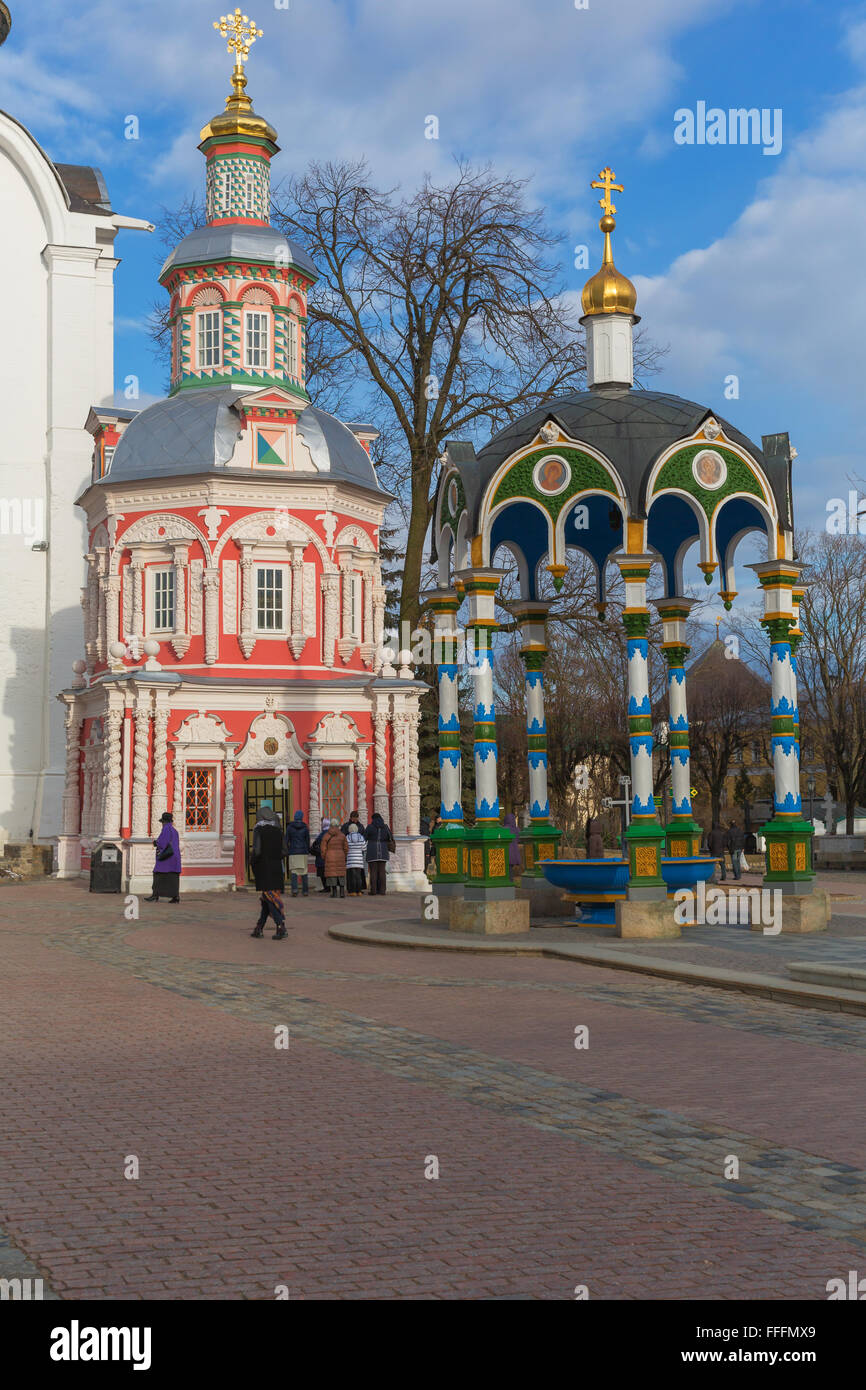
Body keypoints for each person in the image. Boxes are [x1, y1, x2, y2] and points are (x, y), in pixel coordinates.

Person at [249, 803, 287, 939]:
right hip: (277, 868)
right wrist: (275, 857)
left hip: (264, 869)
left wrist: (252, 861)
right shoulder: (278, 830)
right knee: (267, 899)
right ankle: (258, 928)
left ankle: (280, 926)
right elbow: (284, 851)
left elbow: (257, 851)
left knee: (270, 899)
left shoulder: (259, 830)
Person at [146, 811, 182, 902]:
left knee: (158, 874)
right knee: (173, 877)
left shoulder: (166, 829)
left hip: (166, 857)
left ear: (164, 822)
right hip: (175, 858)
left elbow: (162, 843)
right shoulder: (175, 831)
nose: (162, 824)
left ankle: (155, 895)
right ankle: (175, 897)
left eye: (162, 822)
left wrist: (155, 842)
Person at [365, 811, 394, 895]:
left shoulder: (370, 827)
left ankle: (373, 890)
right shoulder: (385, 827)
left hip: (372, 850)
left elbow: (365, 837)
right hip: (383, 850)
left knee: (373, 871)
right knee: (382, 871)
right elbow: (390, 837)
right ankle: (382, 890)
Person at [285, 808, 311, 896]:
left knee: (294, 871)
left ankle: (295, 890)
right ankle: (305, 890)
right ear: (302, 817)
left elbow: (286, 840)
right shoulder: (305, 827)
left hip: (293, 851)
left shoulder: (289, 827)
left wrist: (288, 849)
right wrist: (307, 850)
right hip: (303, 851)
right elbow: (307, 840)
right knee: (304, 871)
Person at [321, 821, 348, 897]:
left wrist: (324, 856)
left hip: (330, 856)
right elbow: (346, 847)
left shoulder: (326, 835)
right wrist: (344, 855)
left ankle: (334, 893)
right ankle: (342, 893)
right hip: (340, 856)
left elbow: (323, 848)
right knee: (341, 874)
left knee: (332, 874)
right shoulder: (342, 836)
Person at [345, 822, 367, 895]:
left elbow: (345, 848)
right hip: (359, 859)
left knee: (352, 876)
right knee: (358, 876)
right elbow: (364, 848)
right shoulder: (361, 837)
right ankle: (359, 891)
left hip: (350, 859)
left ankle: (353, 891)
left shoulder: (347, 837)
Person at [311, 818, 331, 891]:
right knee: (327, 873)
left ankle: (326, 888)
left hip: (321, 856)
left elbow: (316, 843)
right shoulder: (331, 833)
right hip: (329, 856)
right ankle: (328, 887)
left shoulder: (322, 834)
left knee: (323, 873)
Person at [503, 811, 522, 876]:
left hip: (505, 852)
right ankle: (511, 881)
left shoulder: (503, 830)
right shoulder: (516, 829)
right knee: (510, 867)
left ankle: (509, 881)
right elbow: (519, 839)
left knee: (507, 869)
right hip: (514, 852)